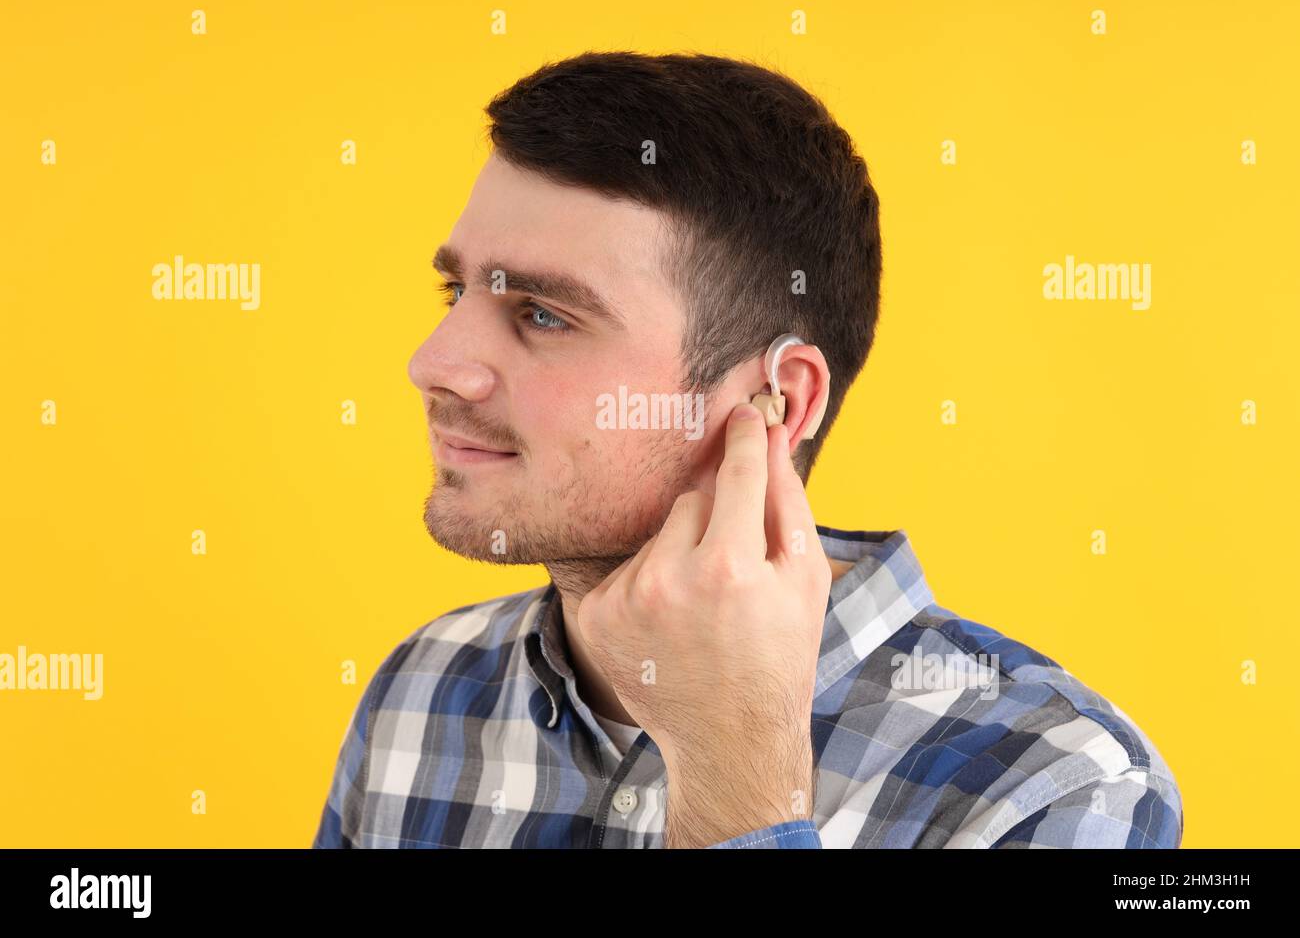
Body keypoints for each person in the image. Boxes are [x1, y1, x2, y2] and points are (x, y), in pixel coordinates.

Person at [313, 50, 1183, 848]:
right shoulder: (419, 688)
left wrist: (740, 792)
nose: (434, 366)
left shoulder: (1057, 786)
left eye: (544, 315)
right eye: (456, 289)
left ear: (777, 400)